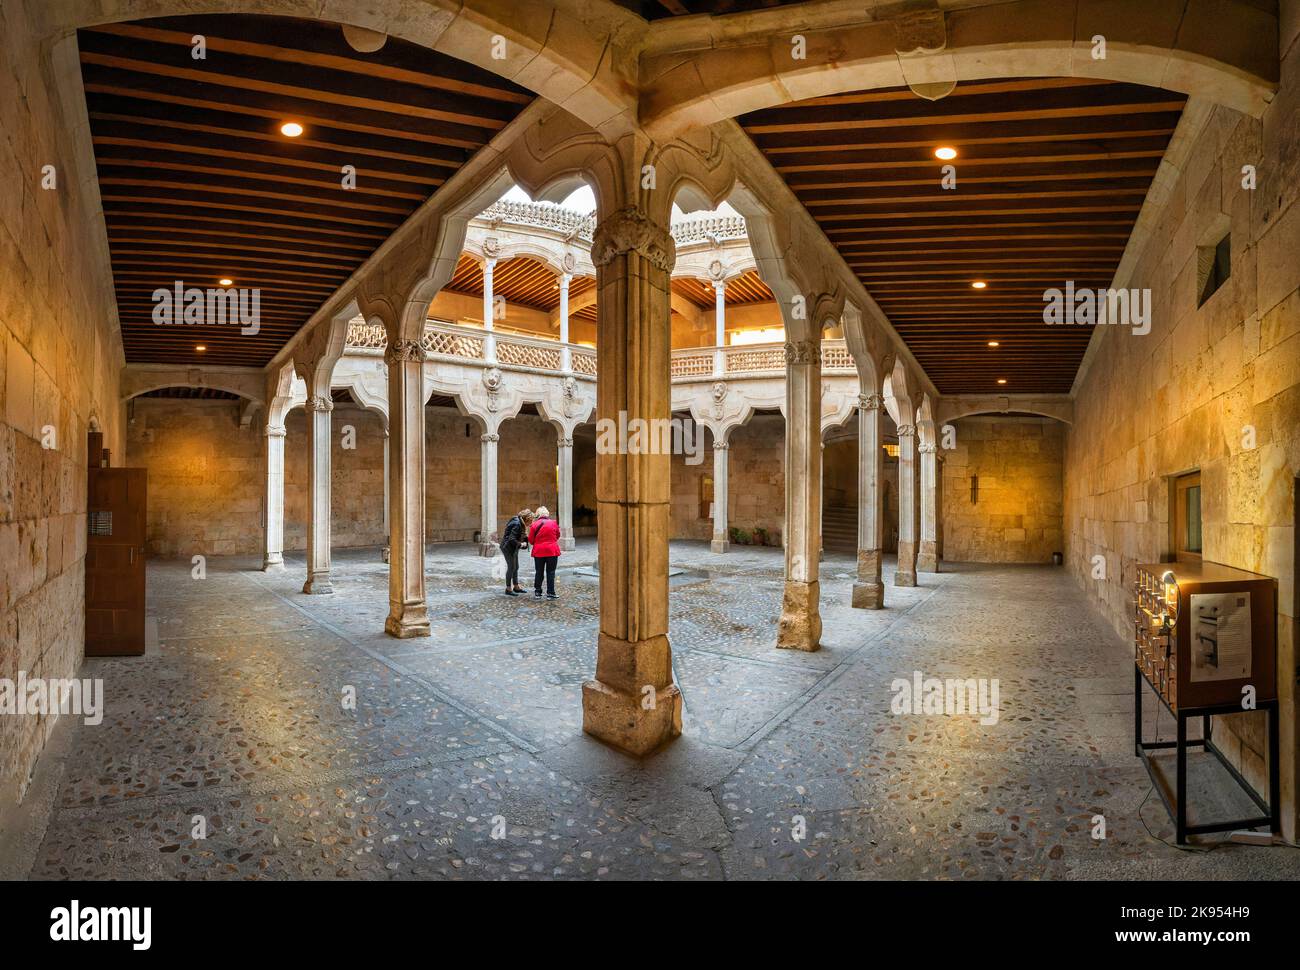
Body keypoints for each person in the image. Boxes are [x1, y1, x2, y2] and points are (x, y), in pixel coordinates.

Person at [528, 505, 561, 600]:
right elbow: (558, 535)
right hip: (552, 551)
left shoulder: (534, 525)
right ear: (547, 513)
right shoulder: (554, 523)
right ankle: (551, 593)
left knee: (539, 572)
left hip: (539, 551)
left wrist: (538, 542)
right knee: (551, 572)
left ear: (537, 514)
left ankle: (538, 592)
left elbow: (531, 540)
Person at [499, 508, 533, 596]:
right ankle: (508, 588)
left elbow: (520, 536)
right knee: (511, 567)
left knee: (516, 567)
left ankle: (516, 586)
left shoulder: (520, 523)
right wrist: (521, 544)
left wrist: (525, 539)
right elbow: (511, 539)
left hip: (513, 547)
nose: (531, 523)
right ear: (526, 519)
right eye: (530, 521)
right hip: (507, 547)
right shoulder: (517, 524)